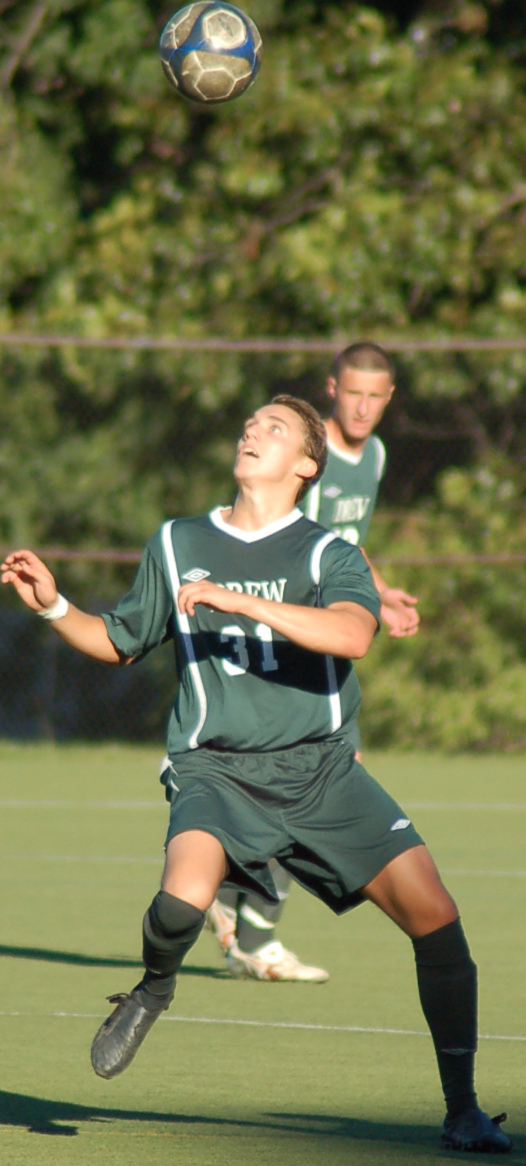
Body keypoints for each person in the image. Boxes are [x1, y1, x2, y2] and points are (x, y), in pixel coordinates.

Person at [1, 395, 511, 1153]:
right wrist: (53, 606)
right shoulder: (177, 541)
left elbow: (352, 634)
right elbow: (119, 640)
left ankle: (464, 1109)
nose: (252, 432)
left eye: (274, 428)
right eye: (250, 424)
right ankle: (155, 985)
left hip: (323, 771)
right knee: (179, 905)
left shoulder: (326, 552)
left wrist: (237, 600)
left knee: (438, 921)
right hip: (218, 769)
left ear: (307, 464)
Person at [209, 342, 420, 981]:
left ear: (388, 399)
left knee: (313, 784)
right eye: (351, 392)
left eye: (374, 396)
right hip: (288, 642)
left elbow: (346, 546)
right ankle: (228, 890)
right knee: (311, 785)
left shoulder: (375, 456)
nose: (360, 406)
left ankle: (244, 920)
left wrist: (377, 594)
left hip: (326, 645)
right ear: (332, 388)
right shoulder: (308, 452)